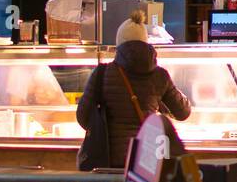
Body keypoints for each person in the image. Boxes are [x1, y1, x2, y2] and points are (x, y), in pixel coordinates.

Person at [77, 10, 192, 170]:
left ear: (119, 44)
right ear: (146, 42)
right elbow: (183, 112)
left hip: (110, 160)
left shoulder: (102, 73)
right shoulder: (160, 75)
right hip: (147, 161)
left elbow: (83, 117)